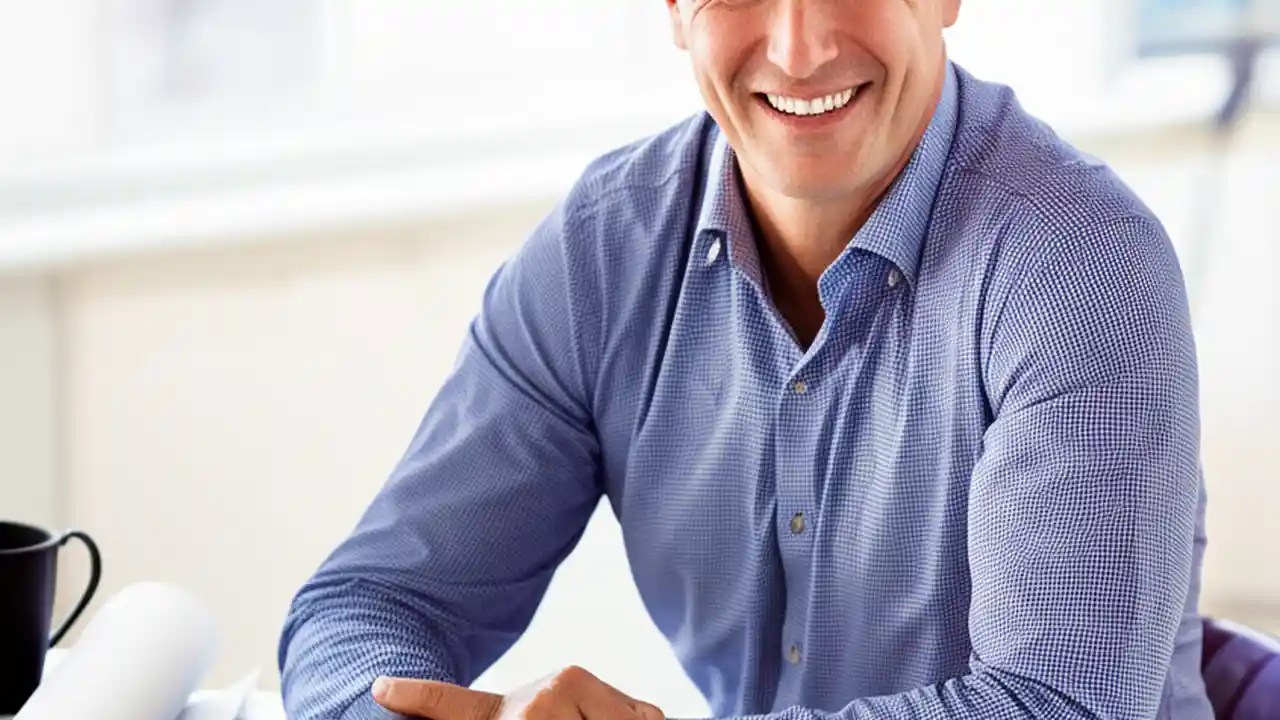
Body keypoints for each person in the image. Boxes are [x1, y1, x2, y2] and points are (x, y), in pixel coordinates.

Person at [279, 1, 1212, 718]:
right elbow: (364, 605)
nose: (798, 49)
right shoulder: (606, 251)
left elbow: (1059, 708)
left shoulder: (1083, 263)